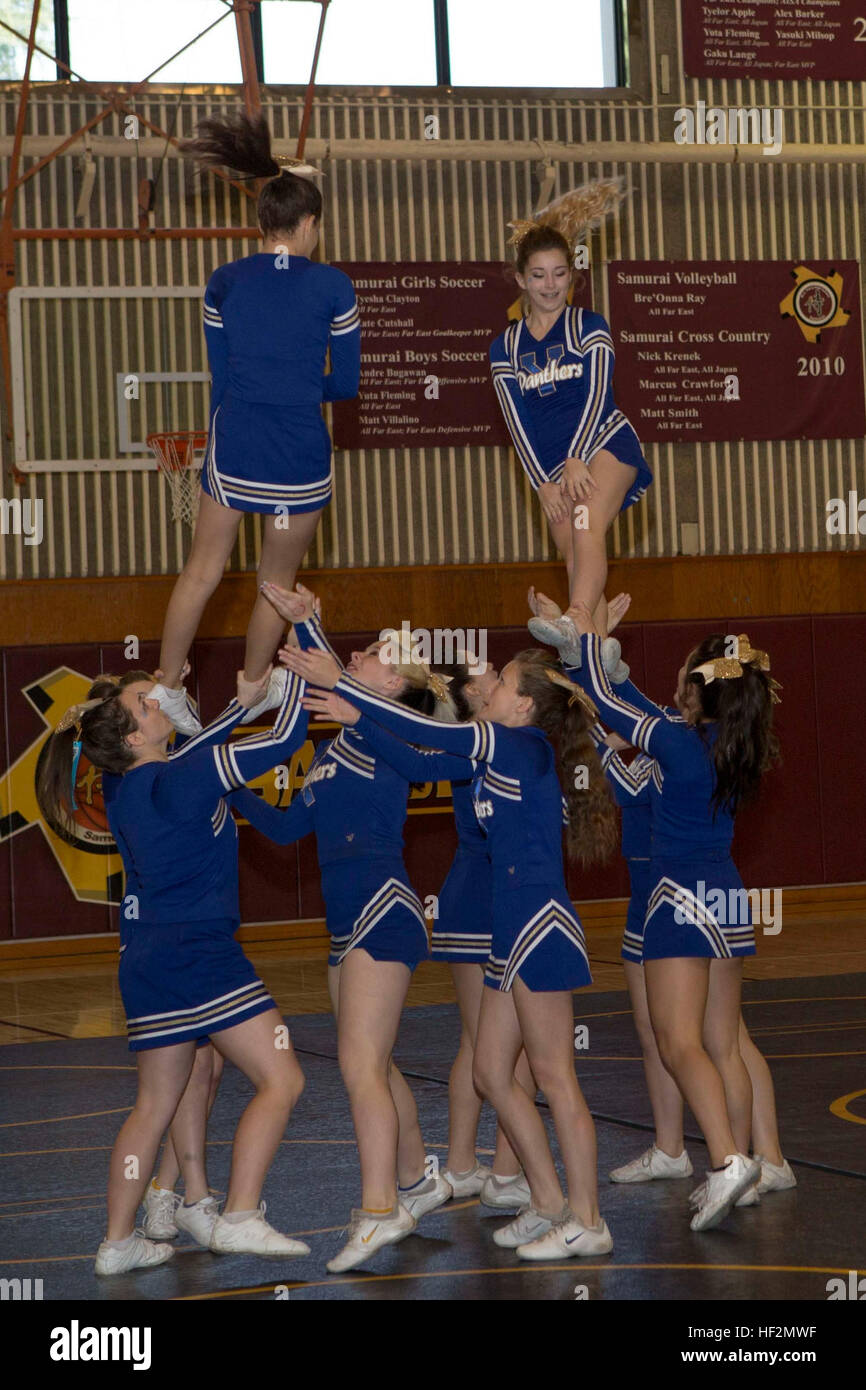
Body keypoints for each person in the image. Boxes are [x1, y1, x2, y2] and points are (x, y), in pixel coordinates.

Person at [281, 620, 620, 1261]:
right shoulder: (489, 753)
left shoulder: (524, 749)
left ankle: (588, 1218)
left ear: (522, 706)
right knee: (492, 1072)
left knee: (555, 1077)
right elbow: (414, 756)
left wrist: (352, 694)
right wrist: (356, 710)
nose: (486, 685)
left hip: (539, 925)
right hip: (508, 931)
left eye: (503, 682)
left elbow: (431, 730)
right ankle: (546, 1200)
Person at [37, 662, 311, 1273]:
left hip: (147, 959)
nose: (161, 699)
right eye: (147, 702)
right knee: (283, 1079)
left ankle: (116, 1241)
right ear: (134, 736)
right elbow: (288, 740)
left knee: (154, 1105)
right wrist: (290, 680)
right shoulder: (180, 779)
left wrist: (224, 711)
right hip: (200, 954)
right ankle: (238, 1215)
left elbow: (194, 745)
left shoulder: (123, 780)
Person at [238, 583, 458, 1273]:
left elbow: (356, 698)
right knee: (376, 1064)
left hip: (382, 915)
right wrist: (221, 777)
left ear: (394, 682)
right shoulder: (338, 748)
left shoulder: (389, 733)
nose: (359, 655)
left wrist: (312, 624)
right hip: (346, 930)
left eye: (374, 656)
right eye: (356, 652)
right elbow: (283, 827)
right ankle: (419, 1179)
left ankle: (377, 1211)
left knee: (360, 1068)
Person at [553, 608, 782, 1230]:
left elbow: (603, 697)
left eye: (685, 676)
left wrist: (583, 638)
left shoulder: (679, 743)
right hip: (727, 896)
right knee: (720, 1044)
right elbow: (627, 709)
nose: (675, 685)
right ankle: (747, 1167)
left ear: (700, 693)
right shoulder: (724, 742)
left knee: (678, 1043)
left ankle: (729, 1160)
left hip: (679, 898)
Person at [156, 112, 360, 733]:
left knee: (203, 571)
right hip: (298, 454)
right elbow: (345, 384)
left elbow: (222, 377)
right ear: (308, 225)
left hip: (237, 442)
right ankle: (250, 686)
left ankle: (167, 686)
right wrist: (303, 390)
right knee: (277, 581)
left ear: (262, 223)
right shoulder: (334, 286)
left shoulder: (224, 282)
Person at [490, 221, 650, 650]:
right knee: (576, 558)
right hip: (551, 465)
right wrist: (541, 481)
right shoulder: (505, 347)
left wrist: (578, 455)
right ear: (522, 279)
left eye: (560, 273)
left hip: (604, 442)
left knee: (585, 524)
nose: (550, 284)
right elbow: (515, 421)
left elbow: (599, 392)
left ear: (572, 275)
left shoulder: (588, 326)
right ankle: (599, 651)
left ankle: (574, 618)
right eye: (539, 275)